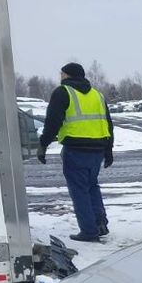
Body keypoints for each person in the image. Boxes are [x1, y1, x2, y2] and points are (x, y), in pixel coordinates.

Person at [38, 63, 114, 242]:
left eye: (61, 73)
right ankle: (100, 224)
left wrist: (43, 144)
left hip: (76, 149)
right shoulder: (97, 95)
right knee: (92, 186)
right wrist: (108, 150)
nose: (60, 76)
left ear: (67, 75)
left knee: (80, 190)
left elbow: (52, 122)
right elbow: (108, 124)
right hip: (97, 149)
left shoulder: (62, 92)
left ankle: (89, 231)